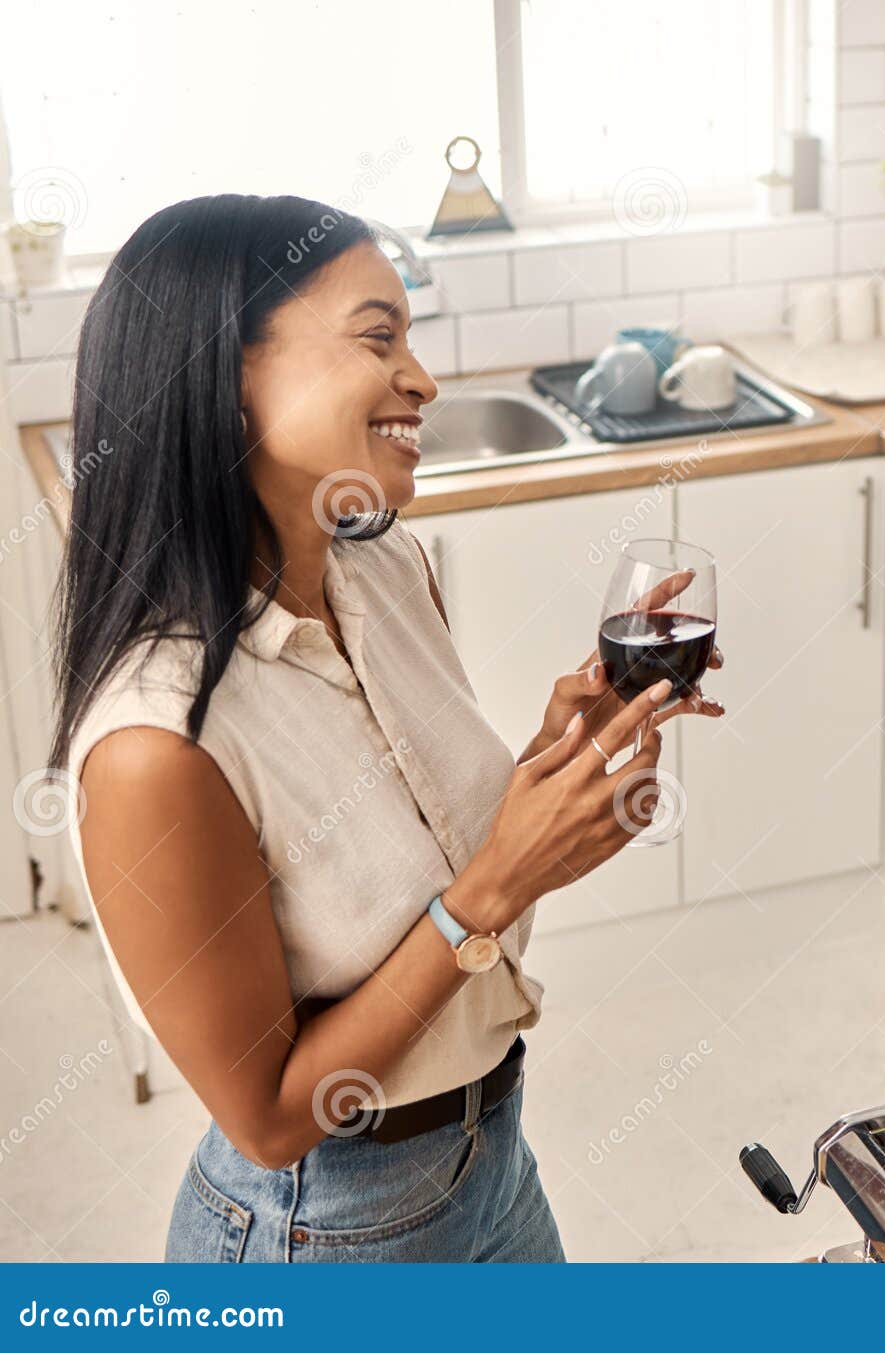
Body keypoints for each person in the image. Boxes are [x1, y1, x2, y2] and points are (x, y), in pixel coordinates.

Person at [53, 195, 722, 1261]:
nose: (423, 377)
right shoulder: (156, 748)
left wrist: (565, 765)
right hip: (327, 1230)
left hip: (492, 1153)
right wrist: (494, 887)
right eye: (379, 337)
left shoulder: (387, 570)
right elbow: (268, 1118)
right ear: (227, 376)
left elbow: (443, 872)